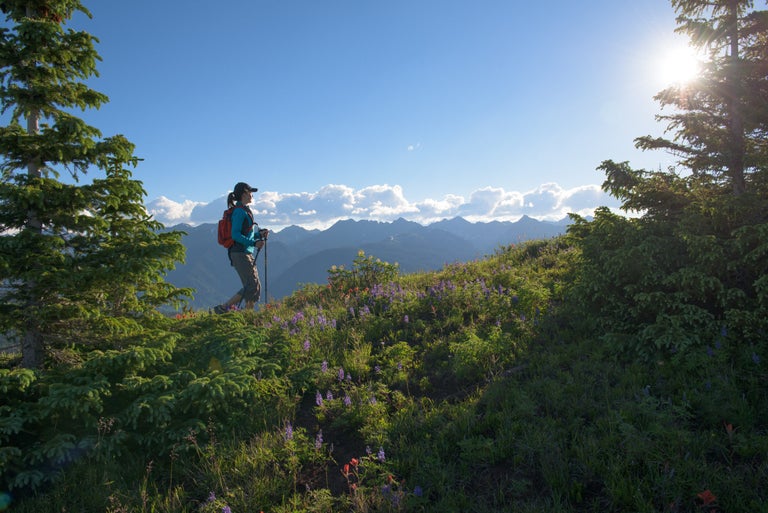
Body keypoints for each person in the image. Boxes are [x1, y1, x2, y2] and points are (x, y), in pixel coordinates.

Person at [213, 182, 268, 313]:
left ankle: (247, 316)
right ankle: (223, 308)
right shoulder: (239, 212)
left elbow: (246, 233)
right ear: (244, 194)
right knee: (252, 286)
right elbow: (235, 234)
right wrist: (254, 243)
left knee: (254, 287)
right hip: (240, 253)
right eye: (250, 193)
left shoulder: (244, 210)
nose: (252, 195)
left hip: (244, 253)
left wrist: (258, 234)